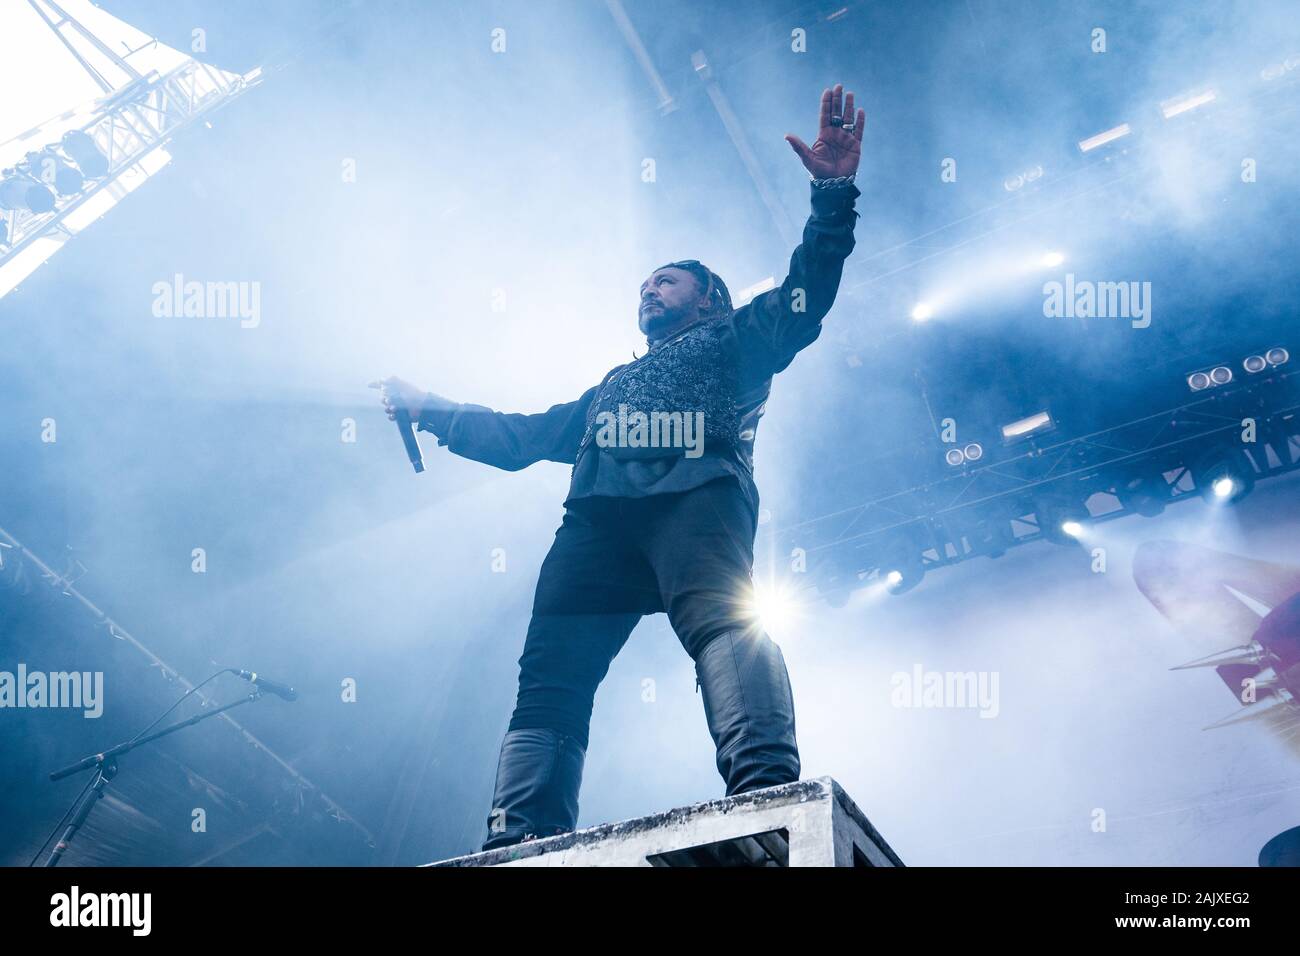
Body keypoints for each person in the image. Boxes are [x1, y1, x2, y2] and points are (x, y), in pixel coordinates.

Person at [374, 84, 865, 851]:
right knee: (548, 676)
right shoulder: (610, 387)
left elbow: (807, 295)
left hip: (695, 503)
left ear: (708, 301)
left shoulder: (737, 337)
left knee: (725, 624)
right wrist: (431, 407)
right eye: (645, 283)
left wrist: (831, 195)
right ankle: (522, 830)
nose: (649, 287)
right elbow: (519, 436)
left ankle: (766, 788)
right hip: (595, 526)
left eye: (668, 280)